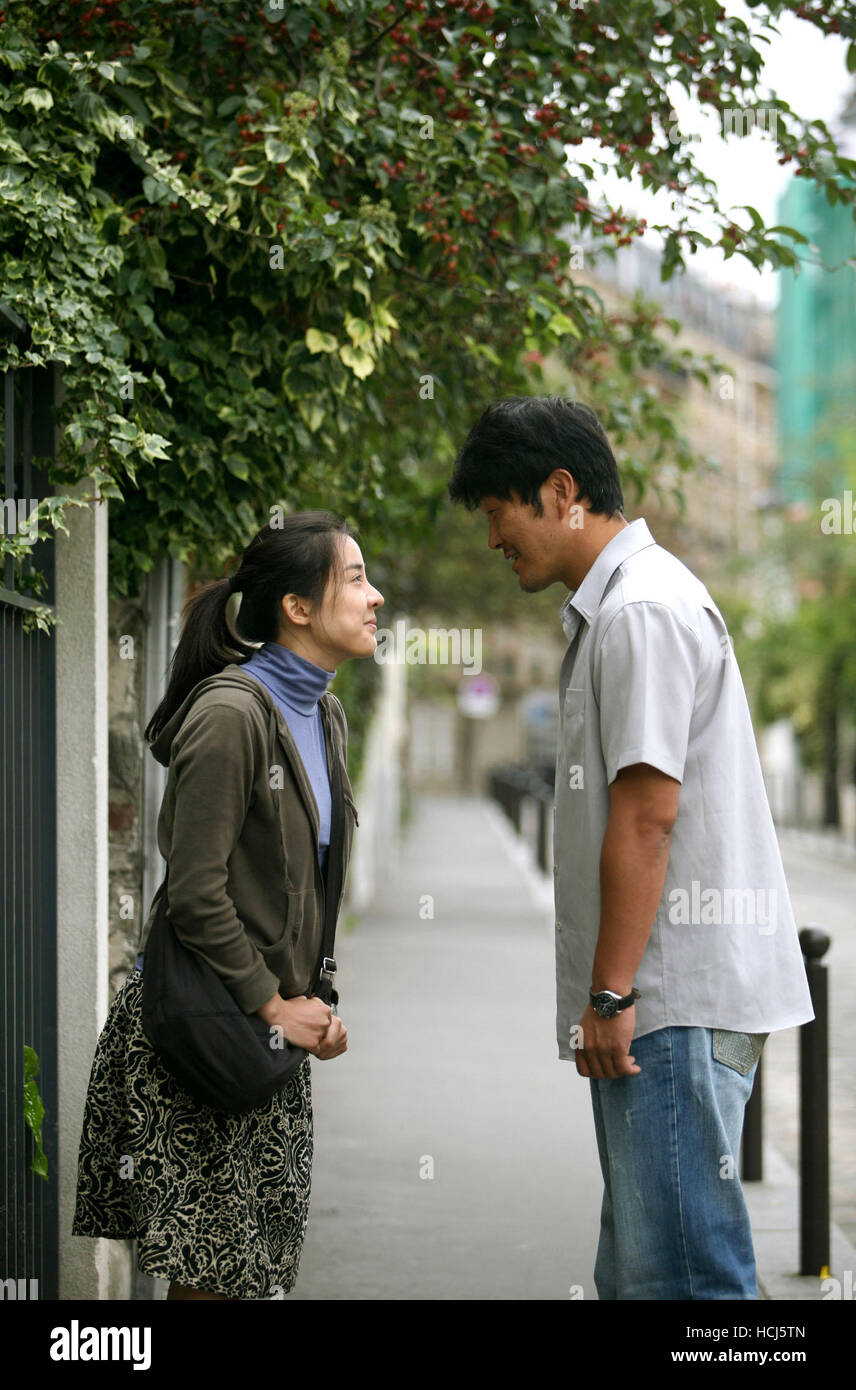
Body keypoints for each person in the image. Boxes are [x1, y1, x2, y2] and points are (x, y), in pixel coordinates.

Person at [449, 396, 814, 1301]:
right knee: (648, 1276)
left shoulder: (641, 612)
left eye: (499, 513)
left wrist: (610, 995)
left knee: (686, 1283)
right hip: (665, 1001)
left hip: (668, 1002)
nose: (495, 540)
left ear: (560, 491)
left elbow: (647, 816)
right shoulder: (625, 606)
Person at [72, 511, 384, 1300]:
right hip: (205, 1029)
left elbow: (307, 886)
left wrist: (316, 999)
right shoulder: (230, 714)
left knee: (245, 1278)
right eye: (354, 579)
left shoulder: (326, 715)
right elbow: (194, 890)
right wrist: (274, 1005)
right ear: (298, 608)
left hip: (268, 1037)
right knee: (211, 1281)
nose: (374, 596)